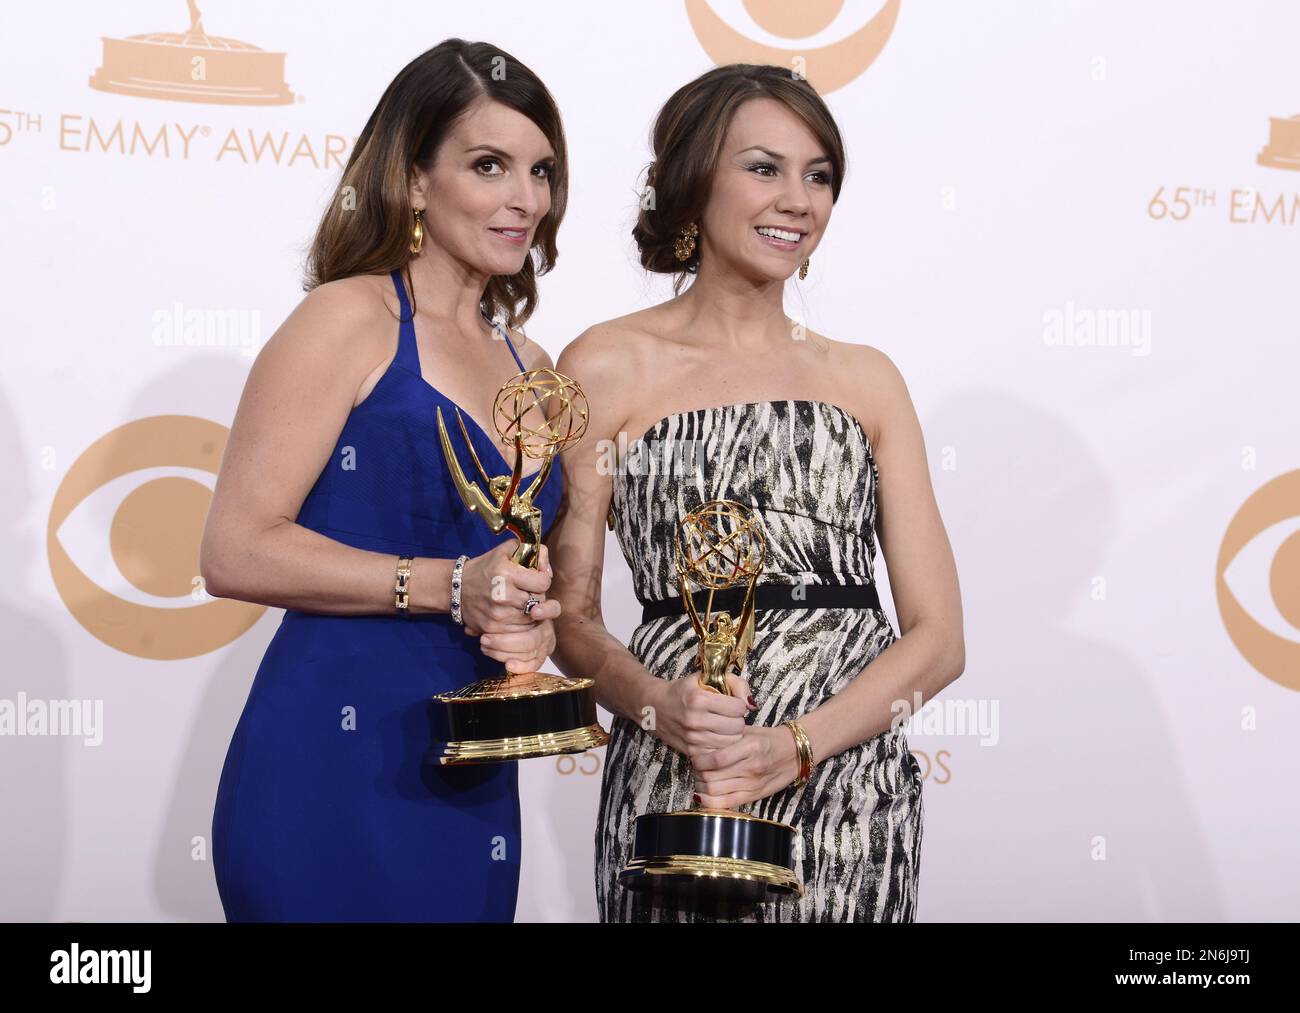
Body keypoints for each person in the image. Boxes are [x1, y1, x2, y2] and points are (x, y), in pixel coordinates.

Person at [548, 64, 965, 922]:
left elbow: (940, 639)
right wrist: (657, 705)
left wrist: (797, 747)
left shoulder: (867, 379)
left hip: (848, 781)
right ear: (696, 178)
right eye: (764, 168)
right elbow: (570, 617)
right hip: (681, 769)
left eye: (819, 176)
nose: (799, 200)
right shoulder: (603, 364)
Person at [201, 38, 569, 922]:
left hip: (471, 775)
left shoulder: (535, 366)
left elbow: (507, 568)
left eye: (542, 171)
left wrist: (526, 613)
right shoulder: (347, 319)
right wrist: (449, 585)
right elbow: (235, 548)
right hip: (330, 758)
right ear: (411, 179)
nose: (525, 198)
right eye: (490, 165)